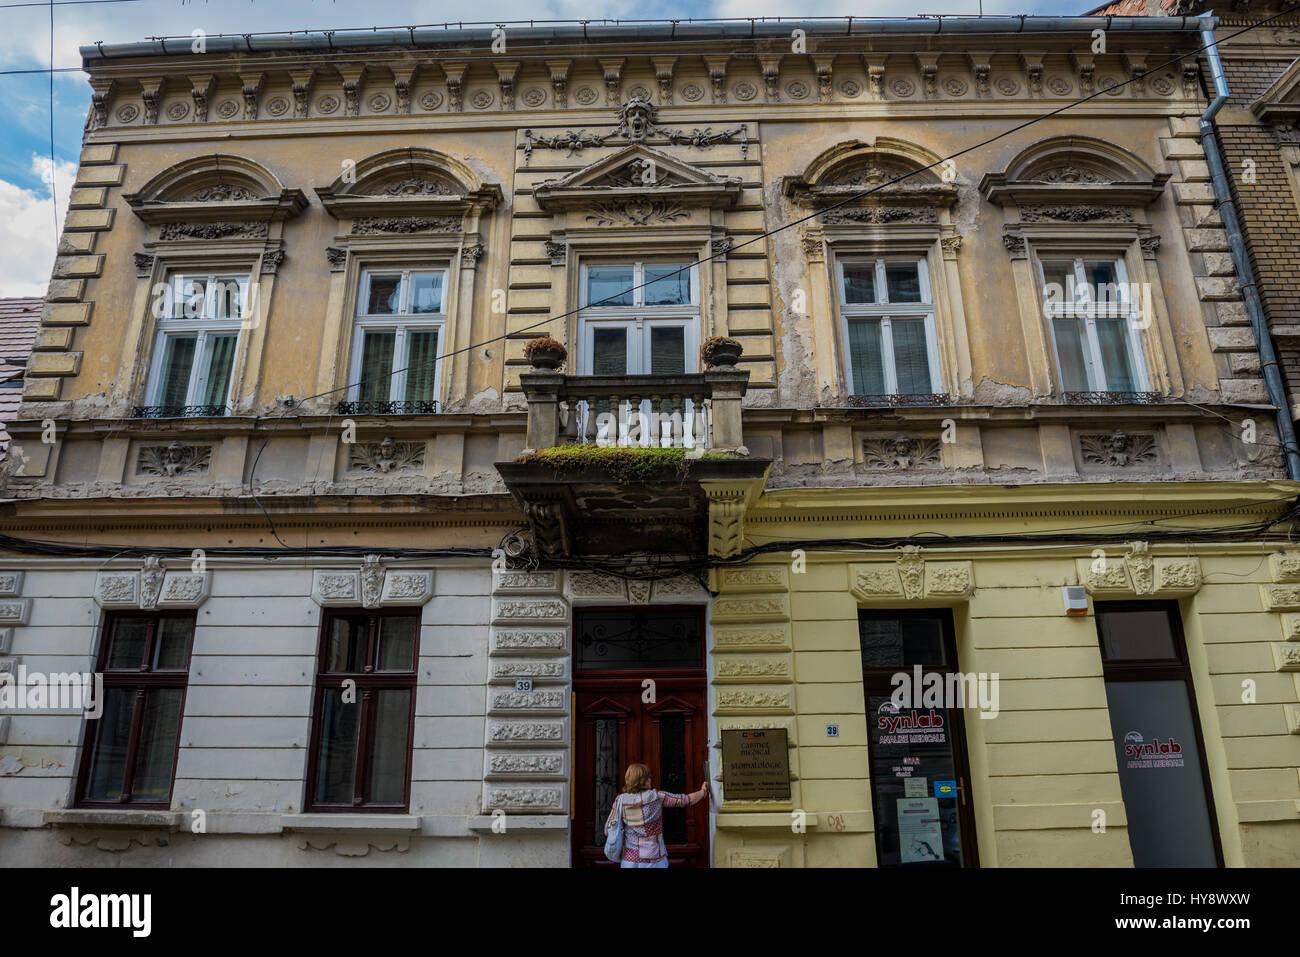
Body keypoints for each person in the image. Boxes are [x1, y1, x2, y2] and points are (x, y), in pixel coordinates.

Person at [604, 762, 709, 868]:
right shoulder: (656, 797)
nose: (650, 779)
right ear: (642, 780)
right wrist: (703, 791)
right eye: (648, 777)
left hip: (629, 861)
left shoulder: (620, 800)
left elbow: (607, 831)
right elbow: (686, 800)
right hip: (654, 860)